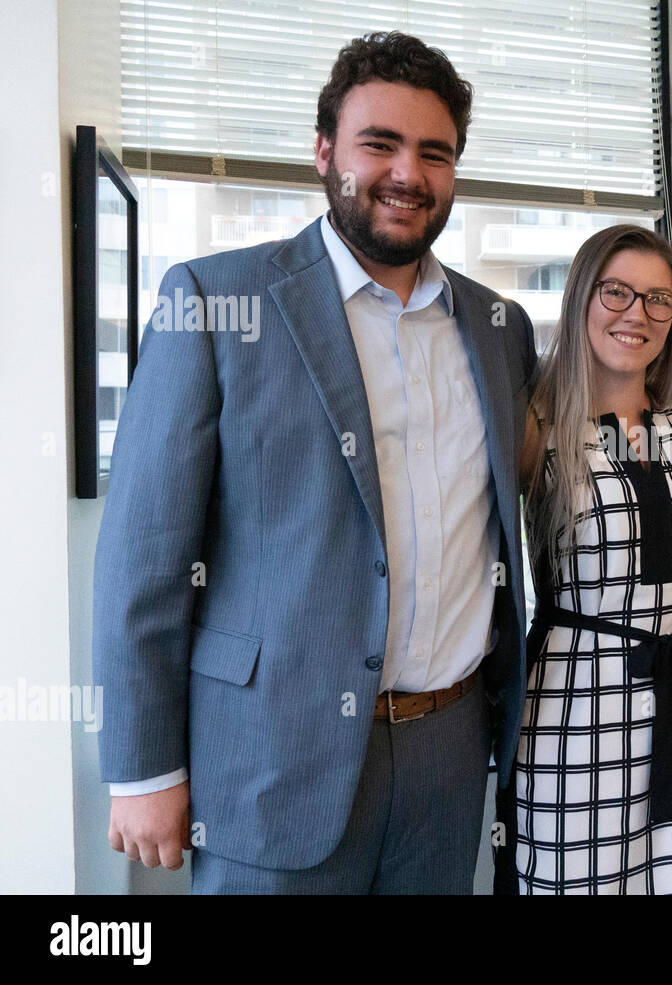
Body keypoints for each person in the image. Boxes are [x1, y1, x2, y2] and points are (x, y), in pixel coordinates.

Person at [93, 31, 537, 893]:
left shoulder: (498, 327)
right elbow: (141, 557)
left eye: (434, 153)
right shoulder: (216, 302)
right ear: (325, 150)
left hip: (450, 755)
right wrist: (143, 770)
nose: (408, 173)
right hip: (270, 755)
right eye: (381, 144)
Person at [502, 224, 672, 894]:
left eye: (657, 299)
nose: (636, 313)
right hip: (572, 701)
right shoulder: (535, 428)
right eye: (617, 292)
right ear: (580, 297)